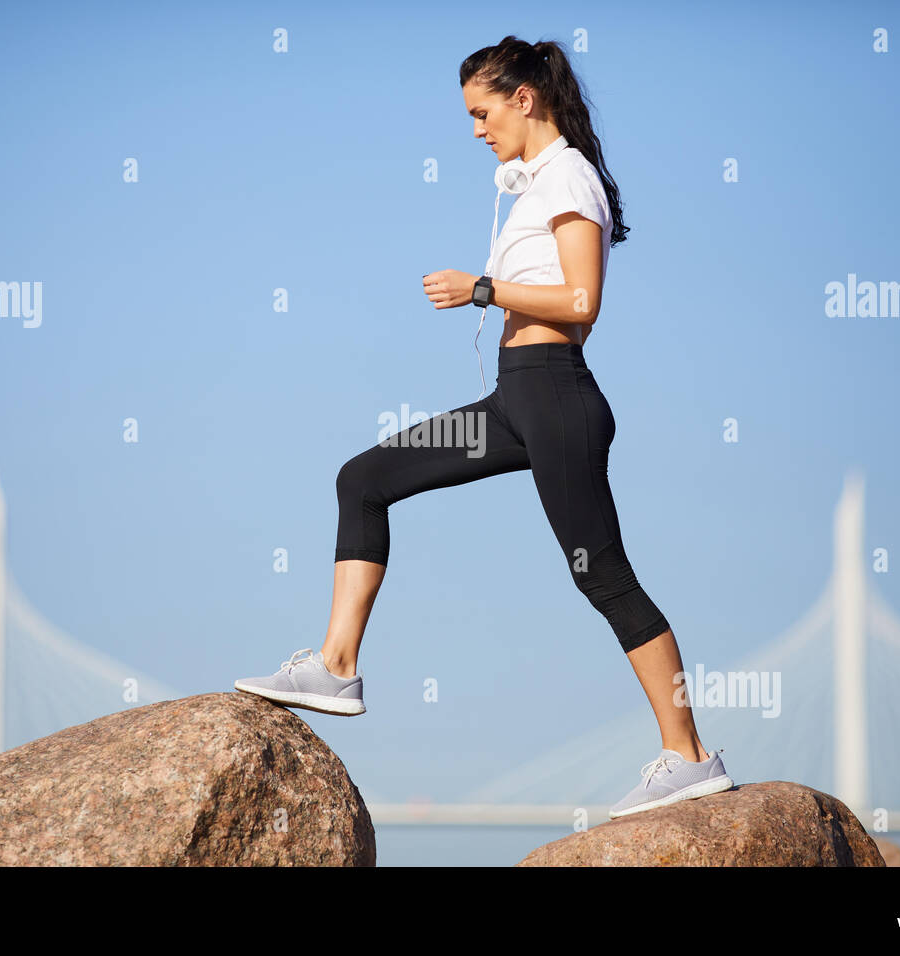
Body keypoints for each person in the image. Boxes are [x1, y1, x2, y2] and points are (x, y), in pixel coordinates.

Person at [235, 36, 733, 817]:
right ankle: (336, 666)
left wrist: (484, 289)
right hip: (513, 405)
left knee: (601, 575)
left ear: (524, 98)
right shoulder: (535, 184)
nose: (474, 130)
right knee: (363, 479)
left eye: (482, 111)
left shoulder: (569, 177)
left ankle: (690, 757)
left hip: (559, 402)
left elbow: (581, 305)